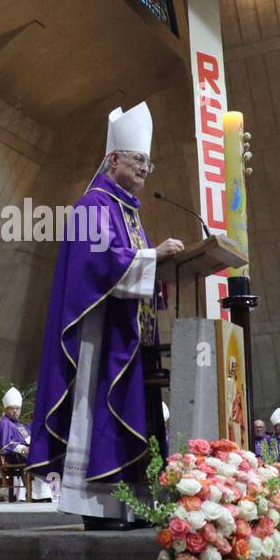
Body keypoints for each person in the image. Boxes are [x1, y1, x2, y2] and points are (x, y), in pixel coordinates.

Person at [29, 101, 184, 530]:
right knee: (98, 412)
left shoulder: (127, 210)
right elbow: (101, 266)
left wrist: (160, 265)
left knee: (131, 412)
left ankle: (130, 505)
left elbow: (134, 263)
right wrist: (153, 257)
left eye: (149, 163)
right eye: (139, 160)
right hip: (98, 338)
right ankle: (97, 509)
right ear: (113, 159)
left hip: (127, 336)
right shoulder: (92, 206)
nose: (146, 169)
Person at [0, 387, 52, 501]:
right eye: (12, 408)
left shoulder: (18, 424)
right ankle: (39, 495)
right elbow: (5, 445)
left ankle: (47, 493)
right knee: (38, 456)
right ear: (5, 409)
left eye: (17, 409)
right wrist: (25, 449)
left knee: (49, 454)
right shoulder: (4, 423)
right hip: (13, 456)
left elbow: (29, 436)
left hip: (22, 453)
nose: (15, 411)